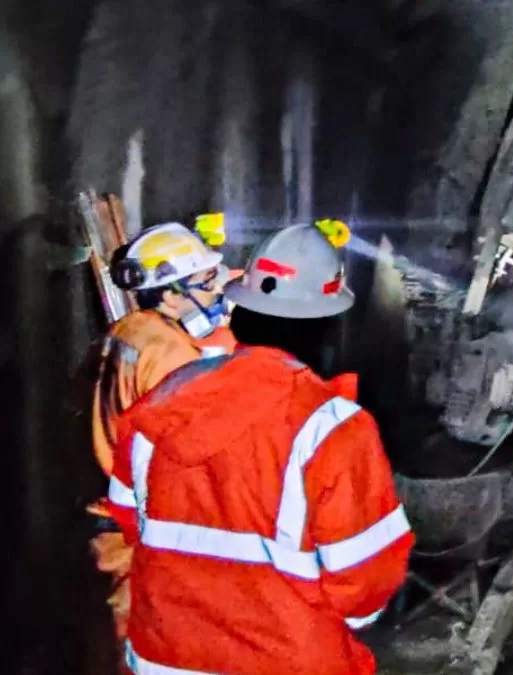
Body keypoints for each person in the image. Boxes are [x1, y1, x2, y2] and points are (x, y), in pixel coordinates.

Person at [106, 222, 413, 675]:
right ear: (328, 327)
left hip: (164, 660)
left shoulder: (160, 404)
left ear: (243, 312)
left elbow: (129, 518)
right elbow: (365, 581)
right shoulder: (332, 428)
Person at [88, 221, 237, 648]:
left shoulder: (129, 330)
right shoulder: (172, 356)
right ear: (171, 294)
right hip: (143, 533)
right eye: (206, 281)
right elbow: (192, 456)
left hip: (113, 522)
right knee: (147, 647)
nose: (217, 290)